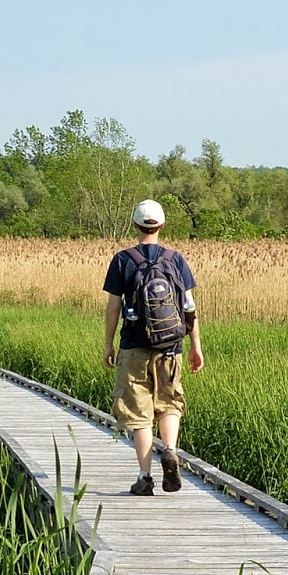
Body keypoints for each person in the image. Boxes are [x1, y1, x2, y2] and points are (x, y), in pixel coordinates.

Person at [103, 199, 205, 495]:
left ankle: (145, 476)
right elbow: (189, 308)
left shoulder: (123, 260)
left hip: (134, 345)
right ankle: (170, 449)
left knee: (139, 412)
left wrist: (108, 344)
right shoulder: (175, 260)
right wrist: (196, 346)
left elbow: (113, 307)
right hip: (171, 345)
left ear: (135, 225)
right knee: (170, 404)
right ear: (161, 225)